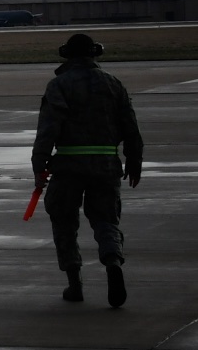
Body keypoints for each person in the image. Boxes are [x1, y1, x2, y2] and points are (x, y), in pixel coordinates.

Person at [32, 33, 143, 308]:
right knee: (106, 221)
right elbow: (130, 126)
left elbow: (48, 128)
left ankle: (75, 283)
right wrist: (134, 160)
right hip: (106, 165)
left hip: (68, 166)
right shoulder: (113, 84)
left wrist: (39, 165)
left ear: (66, 55)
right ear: (95, 53)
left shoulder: (59, 85)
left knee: (64, 222)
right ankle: (112, 262)